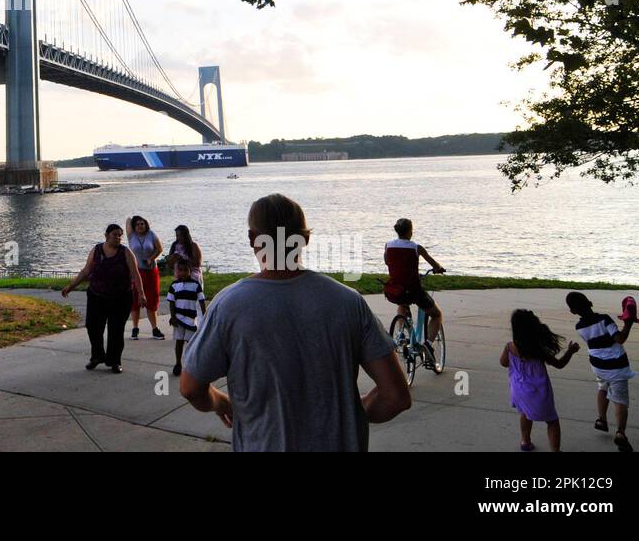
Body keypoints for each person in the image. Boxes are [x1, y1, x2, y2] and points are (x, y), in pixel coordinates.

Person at [180, 193, 411, 450]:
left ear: (252, 239)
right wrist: (351, 416)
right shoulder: (348, 302)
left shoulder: (229, 306)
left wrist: (219, 402)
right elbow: (396, 397)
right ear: (306, 239)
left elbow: (191, 388)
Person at [62, 223, 148, 373]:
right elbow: (86, 270)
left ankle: (115, 361)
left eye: (120, 235)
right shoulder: (96, 250)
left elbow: (135, 274)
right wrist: (71, 286)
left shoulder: (126, 252)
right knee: (93, 326)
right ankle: (97, 356)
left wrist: (141, 294)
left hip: (120, 297)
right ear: (107, 236)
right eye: (115, 234)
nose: (118, 237)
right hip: (97, 296)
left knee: (116, 330)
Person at [500, 308, 579, 452]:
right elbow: (560, 364)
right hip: (538, 391)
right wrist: (570, 352)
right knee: (552, 420)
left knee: (524, 413)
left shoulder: (510, 346)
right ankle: (555, 450)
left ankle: (525, 441)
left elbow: (503, 363)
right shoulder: (538, 349)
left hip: (519, 389)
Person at [567, 291, 636, 452]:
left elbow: (596, 340)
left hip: (598, 365)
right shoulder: (604, 319)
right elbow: (620, 338)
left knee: (603, 388)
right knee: (620, 399)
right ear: (590, 302)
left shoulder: (579, 327)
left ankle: (601, 420)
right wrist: (628, 323)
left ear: (573, 311)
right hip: (616, 365)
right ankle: (620, 433)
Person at [383, 218, 446, 356]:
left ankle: (401, 334)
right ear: (410, 231)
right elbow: (434, 265)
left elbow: (387, 262)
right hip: (413, 289)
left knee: (402, 303)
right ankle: (428, 345)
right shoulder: (416, 247)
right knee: (436, 314)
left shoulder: (388, 245)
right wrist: (438, 269)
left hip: (396, 289)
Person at [166, 256, 206, 376]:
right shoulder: (174, 286)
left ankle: (190, 364)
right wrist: (173, 317)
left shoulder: (195, 285)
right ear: (177, 271)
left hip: (190, 319)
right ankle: (178, 363)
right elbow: (171, 302)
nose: (183, 272)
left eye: (185, 270)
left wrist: (205, 316)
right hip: (178, 319)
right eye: (181, 270)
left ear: (190, 271)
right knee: (179, 341)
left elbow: (201, 301)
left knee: (191, 342)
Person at [127, 215, 164, 340]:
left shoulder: (151, 234)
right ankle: (135, 328)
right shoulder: (131, 236)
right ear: (134, 227)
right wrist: (132, 219)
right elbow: (127, 220)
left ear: (146, 224)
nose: (140, 226)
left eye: (142, 223)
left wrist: (151, 258)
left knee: (152, 299)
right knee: (135, 299)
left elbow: (159, 249)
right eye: (137, 224)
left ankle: (155, 329)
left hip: (151, 271)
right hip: (136, 272)